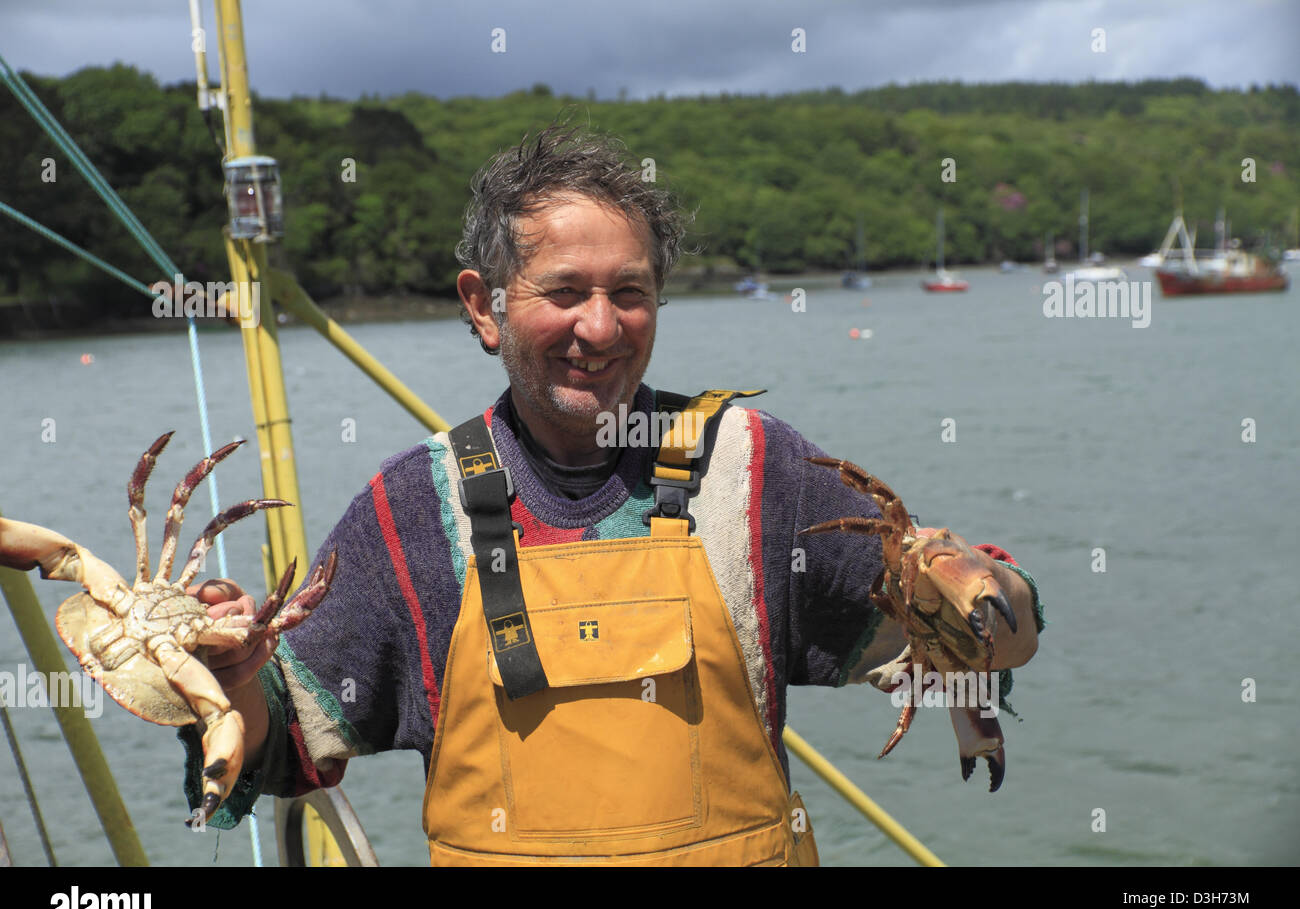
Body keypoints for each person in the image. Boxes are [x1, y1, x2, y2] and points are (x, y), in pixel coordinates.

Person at [188, 124, 1044, 865]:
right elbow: (281, 746)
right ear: (484, 308)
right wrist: (229, 676)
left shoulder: (750, 470)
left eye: (629, 292)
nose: (600, 327)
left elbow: (961, 647)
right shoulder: (418, 507)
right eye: (564, 291)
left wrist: (983, 595)